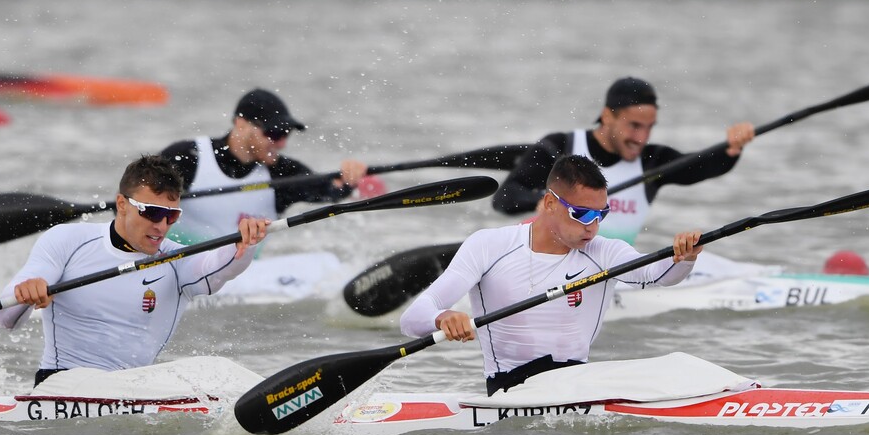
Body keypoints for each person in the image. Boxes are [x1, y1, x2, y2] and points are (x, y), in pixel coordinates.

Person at [401, 155, 703, 396]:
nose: (592, 226)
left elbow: (658, 274)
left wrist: (685, 257)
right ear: (549, 203)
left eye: (602, 215)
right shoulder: (489, 246)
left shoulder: (604, 252)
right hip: (511, 391)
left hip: (577, 386)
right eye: (582, 214)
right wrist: (442, 318)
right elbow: (412, 318)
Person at [0, 154, 269, 386]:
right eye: (151, 212)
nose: (161, 225)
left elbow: (219, 267)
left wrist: (243, 244)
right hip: (59, 386)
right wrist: (24, 294)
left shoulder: (178, 260)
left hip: (132, 392)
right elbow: (4, 319)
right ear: (122, 204)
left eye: (171, 216)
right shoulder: (67, 241)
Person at [493, 76, 756, 243]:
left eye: (649, 127)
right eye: (633, 126)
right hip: (549, 264)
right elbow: (504, 197)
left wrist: (731, 149)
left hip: (609, 270)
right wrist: (538, 201)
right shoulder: (560, 148)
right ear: (607, 116)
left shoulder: (653, 161)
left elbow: (701, 166)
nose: (641, 138)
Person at [160, 88, 368, 244]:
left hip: (241, 276)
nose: (281, 144)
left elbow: (330, 191)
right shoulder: (186, 157)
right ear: (241, 124)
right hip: (183, 271)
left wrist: (349, 179)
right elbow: (140, 205)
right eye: (274, 133)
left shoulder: (282, 174)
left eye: (286, 134)